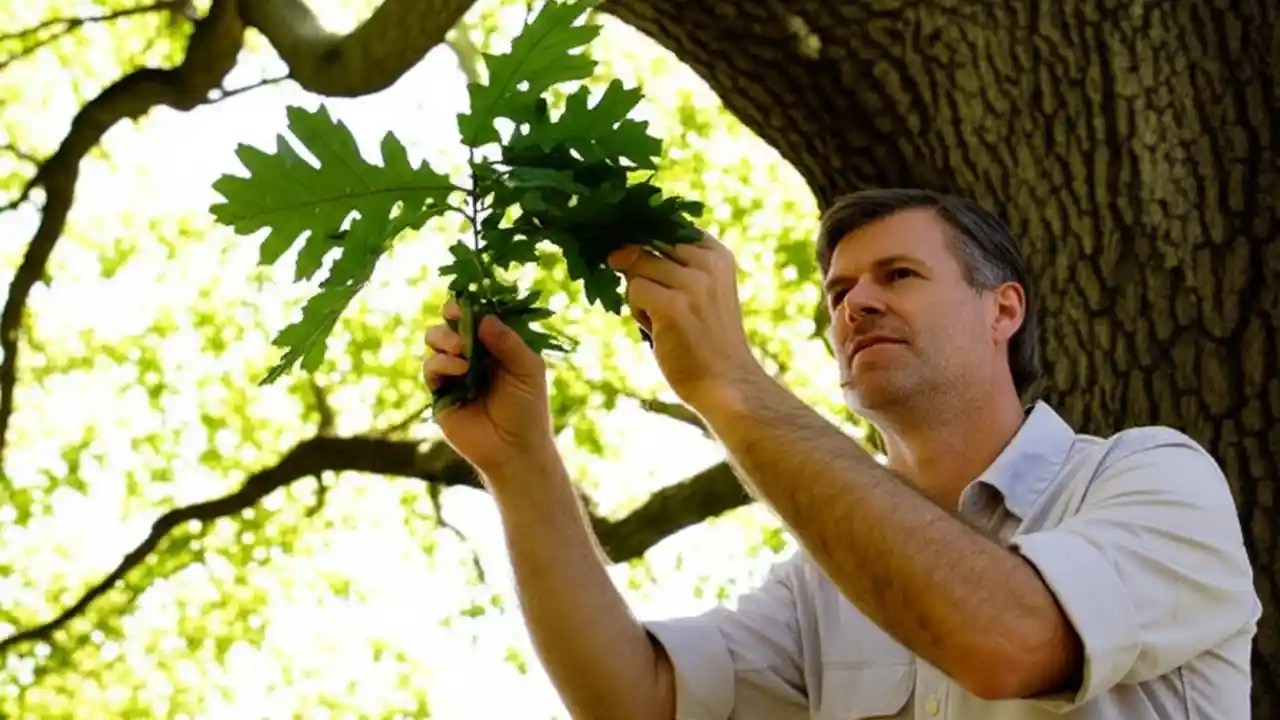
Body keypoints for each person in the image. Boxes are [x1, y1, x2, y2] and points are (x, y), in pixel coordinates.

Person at [420, 188, 1260, 719]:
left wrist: (731, 385)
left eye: (898, 275)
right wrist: (518, 462)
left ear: (1003, 310)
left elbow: (1011, 642)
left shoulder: (1150, 476)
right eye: (839, 291)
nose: (857, 303)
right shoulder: (819, 585)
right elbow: (631, 699)